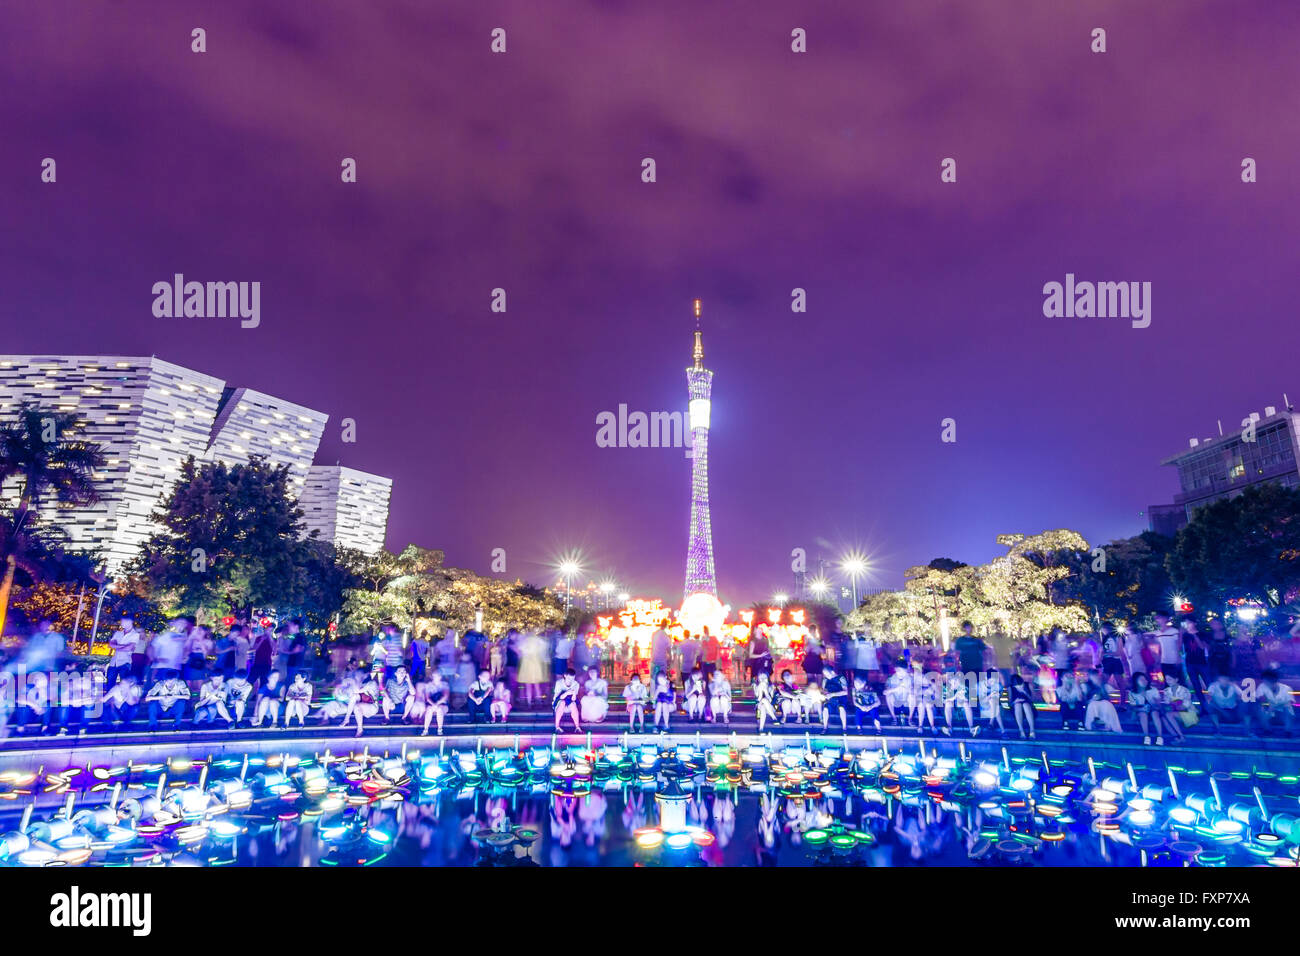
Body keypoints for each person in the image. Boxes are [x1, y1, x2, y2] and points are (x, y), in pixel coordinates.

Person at [1255, 669, 1295, 735]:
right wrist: (1269, 706)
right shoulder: (1262, 687)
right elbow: (1261, 700)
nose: (1264, 682)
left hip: (1282, 714)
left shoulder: (1286, 688)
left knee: (1288, 709)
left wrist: (1276, 705)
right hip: (1269, 712)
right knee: (1260, 708)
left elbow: (1290, 702)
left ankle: (1287, 731)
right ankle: (1267, 730)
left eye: (1265, 680)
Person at [107, 615, 142, 687]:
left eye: (123, 621)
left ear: (130, 622)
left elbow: (129, 648)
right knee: (110, 684)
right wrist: (124, 646)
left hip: (125, 662)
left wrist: (116, 647)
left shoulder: (135, 635)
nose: (121, 623)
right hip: (113, 662)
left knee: (124, 685)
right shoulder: (118, 633)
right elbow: (111, 644)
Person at [346, 667, 382, 737]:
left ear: (366, 675)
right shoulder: (361, 683)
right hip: (363, 706)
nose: (357, 676)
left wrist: (354, 681)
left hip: (372, 707)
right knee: (354, 697)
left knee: (356, 706)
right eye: (357, 675)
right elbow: (352, 693)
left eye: (359, 674)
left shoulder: (372, 683)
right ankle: (347, 719)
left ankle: (360, 729)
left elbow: (357, 690)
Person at [942, 667, 977, 736]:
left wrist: (963, 697)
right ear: (949, 681)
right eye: (953, 681)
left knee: (966, 703)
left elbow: (971, 700)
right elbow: (943, 701)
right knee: (948, 703)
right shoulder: (945, 688)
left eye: (956, 680)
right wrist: (954, 697)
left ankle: (971, 728)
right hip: (951, 713)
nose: (955, 682)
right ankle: (949, 727)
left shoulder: (964, 687)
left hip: (963, 713)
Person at [1151, 612, 1184, 683]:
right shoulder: (1157, 633)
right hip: (1163, 661)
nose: (1157, 620)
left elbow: (1179, 645)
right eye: (1156, 618)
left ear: (1165, 618)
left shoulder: (1173, 631)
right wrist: (1157, 661)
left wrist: (1178, 658)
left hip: (1174, 660)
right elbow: (1159, 648)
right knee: (1165, 682)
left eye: (1158, 618)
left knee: (1179, 681)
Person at [1098, 623, 1126, 693]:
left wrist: (1106, 653)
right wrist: (1101, 656)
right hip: (1107, 662)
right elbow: (1103, 651)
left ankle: (1122, 702)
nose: (1101, 630)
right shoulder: (1105, 638)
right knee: (1102, 682)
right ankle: (1103, 699)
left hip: (1115, 661)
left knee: (1120, 683)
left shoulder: (1118, 637)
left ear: (1106, 628)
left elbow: (1119, 652)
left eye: (1102, 628)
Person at [553, 668, 582, 733]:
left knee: (572, 704)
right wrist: (567, 693)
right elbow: (559, 697)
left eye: (572, 678)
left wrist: (574, 694)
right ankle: (557, 727)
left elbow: (573, 699)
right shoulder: (559, 683)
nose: (570, 680)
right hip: (559, 703)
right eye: (569, 678)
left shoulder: (576, 684)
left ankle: (577, 727)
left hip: (570, 703)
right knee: (562, 702)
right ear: (565, 676)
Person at [821, 665, 848, 732]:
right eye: (825, 674)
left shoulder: (841, 678)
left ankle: (844, 728)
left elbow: (846, 692)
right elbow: (823, 690)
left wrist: (833, 694)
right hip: (830, 700)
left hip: (840, 699)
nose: (826, 676)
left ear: (832, 672)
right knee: (825, 708)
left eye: (827, 674)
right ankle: (825, 727)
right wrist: (824, 694)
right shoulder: (825, 680)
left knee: (841, 708)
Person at [978, 670, 1006, 735]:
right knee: (993, 703)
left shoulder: (998, 686)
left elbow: (1001, 698)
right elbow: (982, 701)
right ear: (986, 679)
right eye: (991, 681)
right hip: (984, 706)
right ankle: (1002, 730)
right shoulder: (980, 685)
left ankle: (992, 724)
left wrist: (998, 695)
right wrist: (990, 695)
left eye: (994, 681)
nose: (993, 683)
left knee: (994, 702)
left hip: (995, 706)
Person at [1008, 673, 1035, 739]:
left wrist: (1024, 691)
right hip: (1016, 707)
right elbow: (1010, 702)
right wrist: (1015, 701)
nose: (1018, 686)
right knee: (1018, 705)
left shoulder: (1028, 685)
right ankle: (1021, 731)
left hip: (1028, 706)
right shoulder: (1010, 688)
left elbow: (1033, 699)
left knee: (1025, 704)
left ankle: (1032, 731)